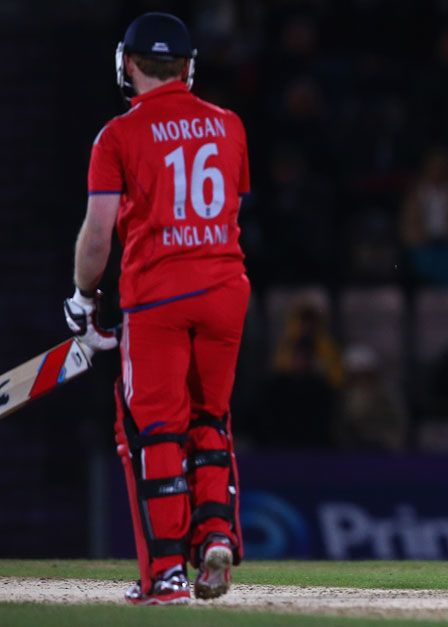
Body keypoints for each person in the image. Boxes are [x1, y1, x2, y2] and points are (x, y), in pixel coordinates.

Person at [64, 13, 251, 604]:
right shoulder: (229, 125)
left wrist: (83, 298)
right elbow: (229, 206)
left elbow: (98, 238)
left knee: (153, 429)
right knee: (211, 419)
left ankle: (166, 573)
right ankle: (217, 533)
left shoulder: (117, 135)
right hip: (226, 288)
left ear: (128, 64)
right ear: (188, 66)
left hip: (158, 297)